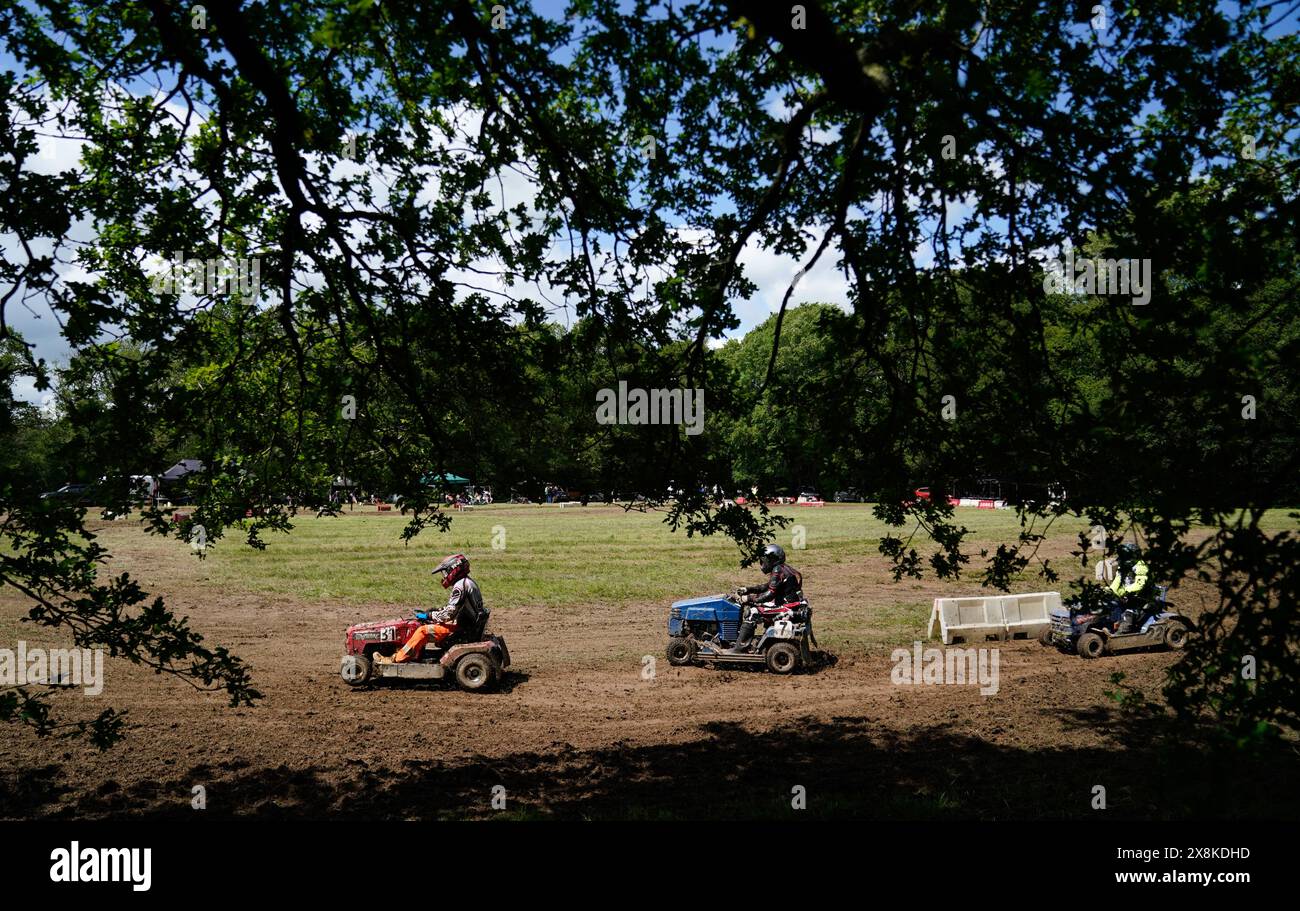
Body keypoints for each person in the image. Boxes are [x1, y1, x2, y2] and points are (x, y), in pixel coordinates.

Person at [374, 554, 484, 664]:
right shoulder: (468, 582)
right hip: (467, 625)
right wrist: (435, 613)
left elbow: (448, 614)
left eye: (445, 572)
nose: (445, 576)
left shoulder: (460, 586)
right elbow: (454, 608)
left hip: (461, 629)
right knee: (428, 625)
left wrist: (429, 616)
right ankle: (413, 653)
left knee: (423, 631)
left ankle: (395, 659)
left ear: (454, 569)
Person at [727, 543, 804, 653]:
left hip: (788, 607)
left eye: (764, 560)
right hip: (792, 605)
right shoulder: (785, 568)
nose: (762, 563)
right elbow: (768, 586)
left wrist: (750, 599)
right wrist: (748, 589)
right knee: (759, 606)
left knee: (752, 612)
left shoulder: (778, 570)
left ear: (772, 559)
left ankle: (739, 648)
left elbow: (770, 594)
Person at [1109, 542, 1152, 632]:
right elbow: (1117, 581)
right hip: (1126, 598)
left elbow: (1139, 585)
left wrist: (1125, 591)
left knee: (1126, 619)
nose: (1123, 558)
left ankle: (1121, 636)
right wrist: (1110, 590)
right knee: (1109, 609)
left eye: (1125, 556)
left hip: (1140, 601)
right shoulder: (1123, 567)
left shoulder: (1141, 567)